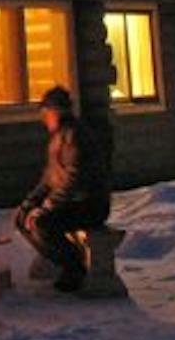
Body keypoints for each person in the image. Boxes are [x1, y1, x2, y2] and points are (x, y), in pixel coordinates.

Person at [14, 85, 110, 293]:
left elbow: (74, 181)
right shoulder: (59, 137)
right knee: (22, 219)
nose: (44, 119)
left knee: (42, 223)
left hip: (89, 205)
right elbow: (49, 180)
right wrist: (30, 203)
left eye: (45, 114)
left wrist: (46, 207)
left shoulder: (75, 136)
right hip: (70, 202)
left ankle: (74, 266)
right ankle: (60, 261)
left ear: (55, 112)